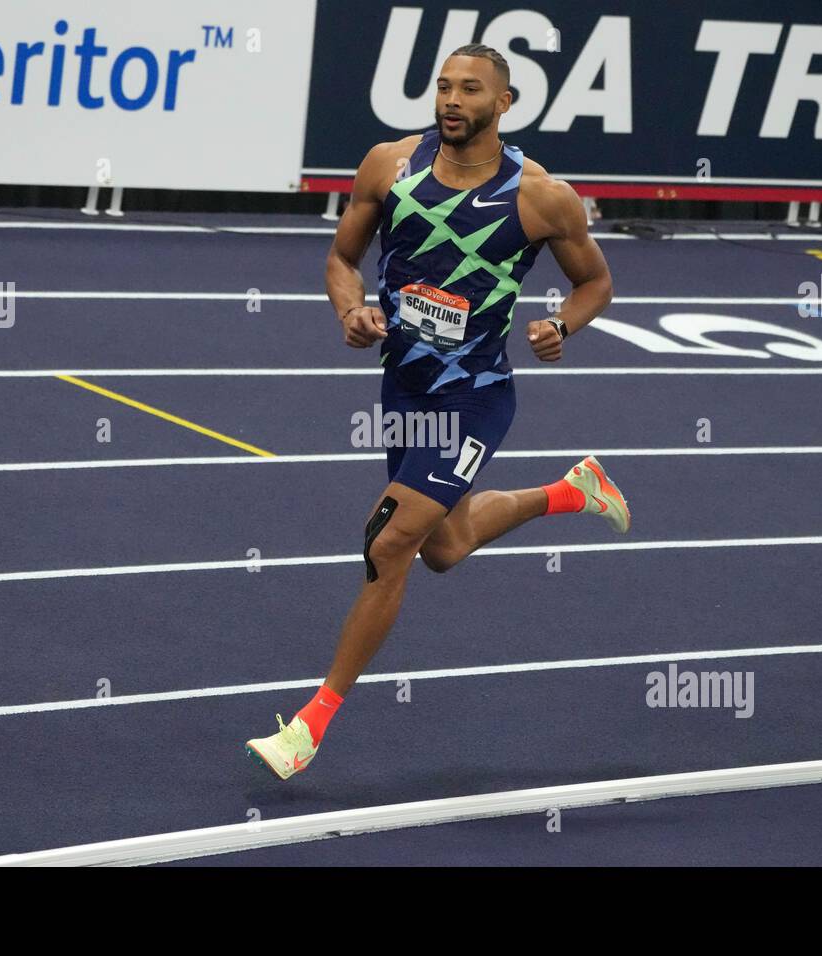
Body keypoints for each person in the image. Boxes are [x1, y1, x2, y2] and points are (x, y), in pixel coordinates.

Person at [246, 43, 629, 779]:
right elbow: (340, 260)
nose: (453, 100)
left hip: (474, 396)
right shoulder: (387, 165)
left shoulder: (541, 197)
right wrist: (351, 310)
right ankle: (571, 490)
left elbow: (597, 284)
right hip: (405, 390)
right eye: (445, 87)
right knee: (443, 549)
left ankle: (309, 726)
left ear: (504, 104)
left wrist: (562, 325)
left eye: (472, 90)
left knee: (386, 544)